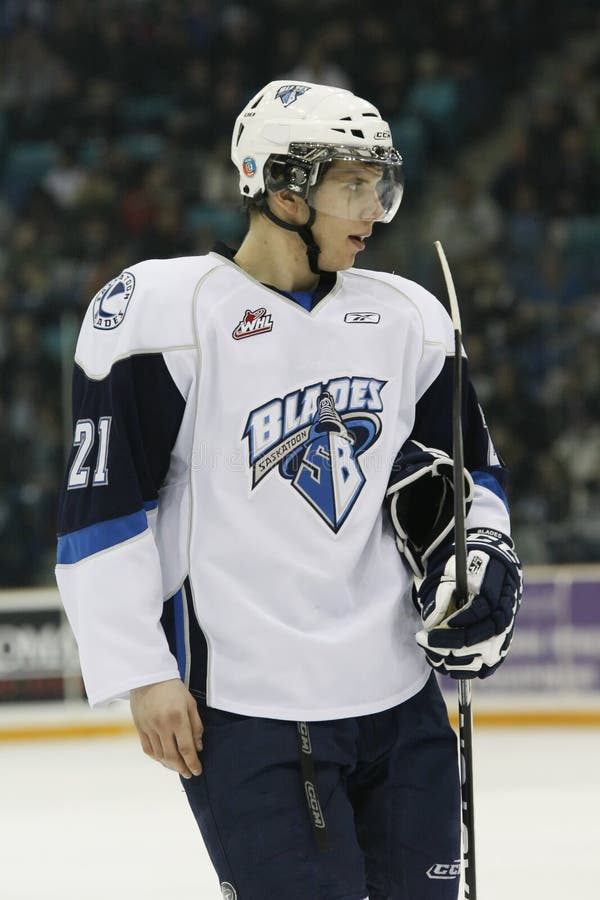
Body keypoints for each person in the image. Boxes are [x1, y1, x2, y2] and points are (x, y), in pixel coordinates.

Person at [55, 81, 523, 900]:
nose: (375, 209)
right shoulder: (166, 312)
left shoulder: (411, 317)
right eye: (353, 184)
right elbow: (101, 506)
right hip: (248, 710)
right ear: (281, 188)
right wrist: (142, 670)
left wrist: (481, 564)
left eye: (382, 184)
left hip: (401, 700)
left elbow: (469, 471)